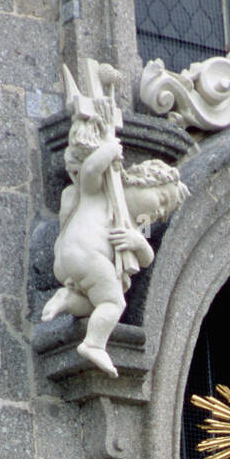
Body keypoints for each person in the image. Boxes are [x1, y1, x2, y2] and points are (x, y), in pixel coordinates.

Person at [41, 120, 154, 376]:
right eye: (161, 200)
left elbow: (146, 259)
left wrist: (137, 241)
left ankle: (68, 299)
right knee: (114, 303)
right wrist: (110, 149)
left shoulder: (126, 220)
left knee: (94, 305)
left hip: (70, 262)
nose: (158, 212)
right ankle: (94, 344)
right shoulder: (98, 193)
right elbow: (91, 169)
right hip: (88, 255)